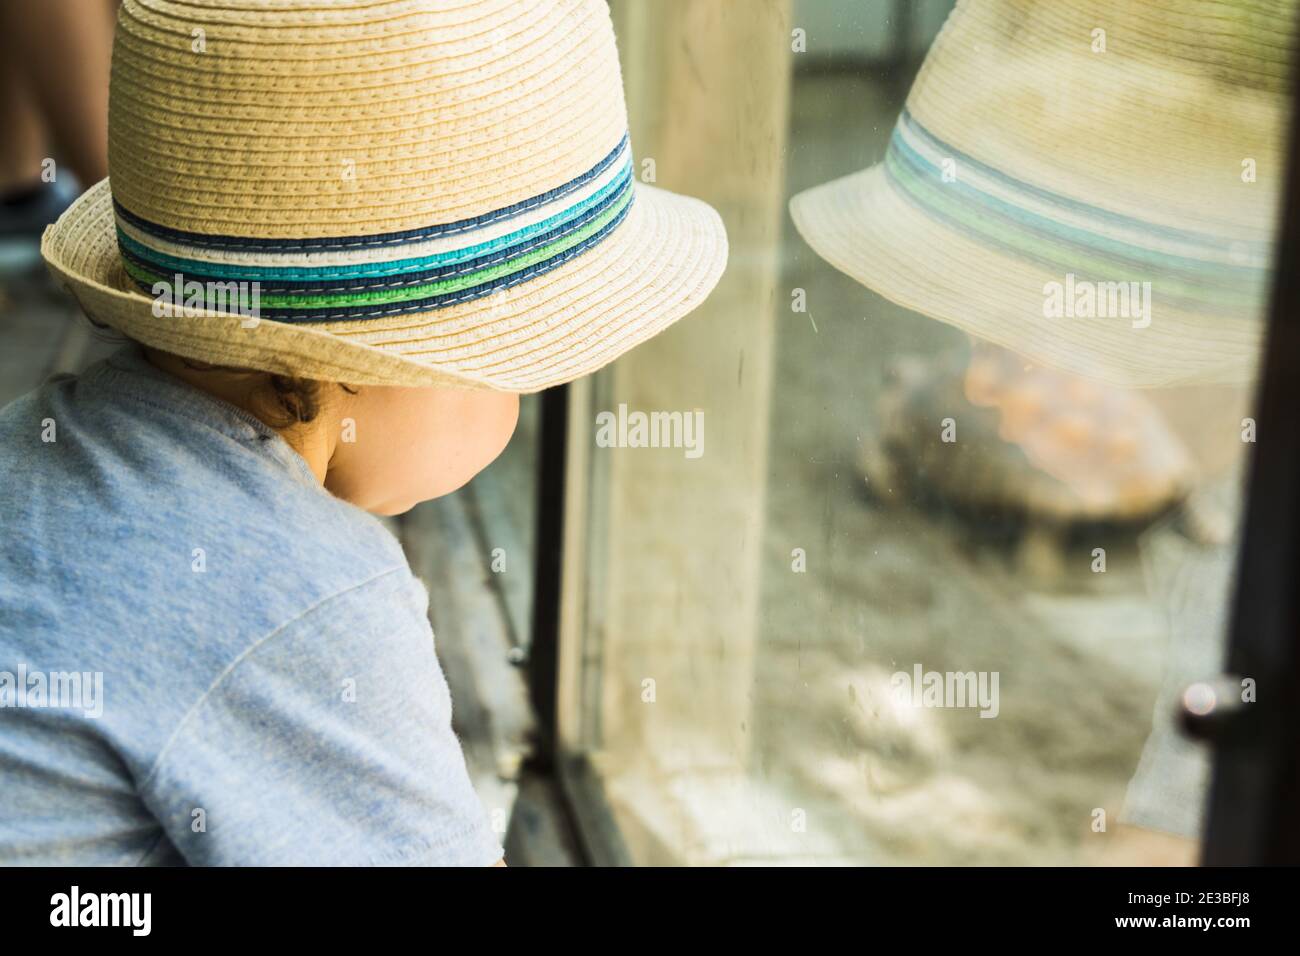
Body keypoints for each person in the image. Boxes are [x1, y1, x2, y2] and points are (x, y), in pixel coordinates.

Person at [0, 0, 727, 865]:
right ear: (373, 365)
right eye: (523, 364)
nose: (531, 395)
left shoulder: (30, 441)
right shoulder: (304, 598)